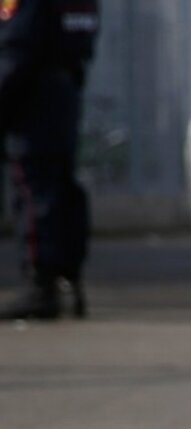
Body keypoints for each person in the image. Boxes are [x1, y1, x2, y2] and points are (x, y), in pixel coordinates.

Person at [0, 0, 99, 321]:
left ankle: (41, 285)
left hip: (30, 91)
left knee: (33, 188)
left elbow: (18, 43)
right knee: (60, 185)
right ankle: (68, 280)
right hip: (64, 85)